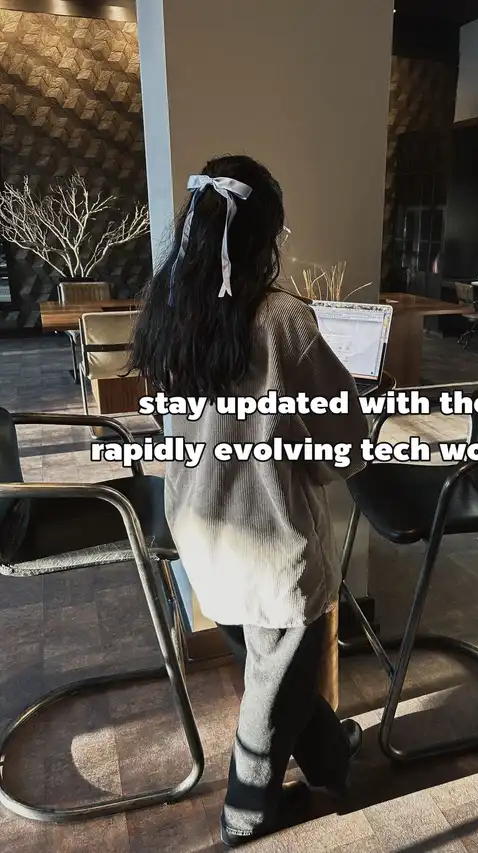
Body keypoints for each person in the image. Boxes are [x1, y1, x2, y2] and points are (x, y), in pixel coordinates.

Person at [129, 155, 370, 847]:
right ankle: (245, 813)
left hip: (200, 532)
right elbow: (344, 442)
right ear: (264, 234)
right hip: (271, 539)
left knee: (271, 664)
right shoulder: (283, 319)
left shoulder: (168, 311)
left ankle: (331, 755)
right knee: (276, 677)